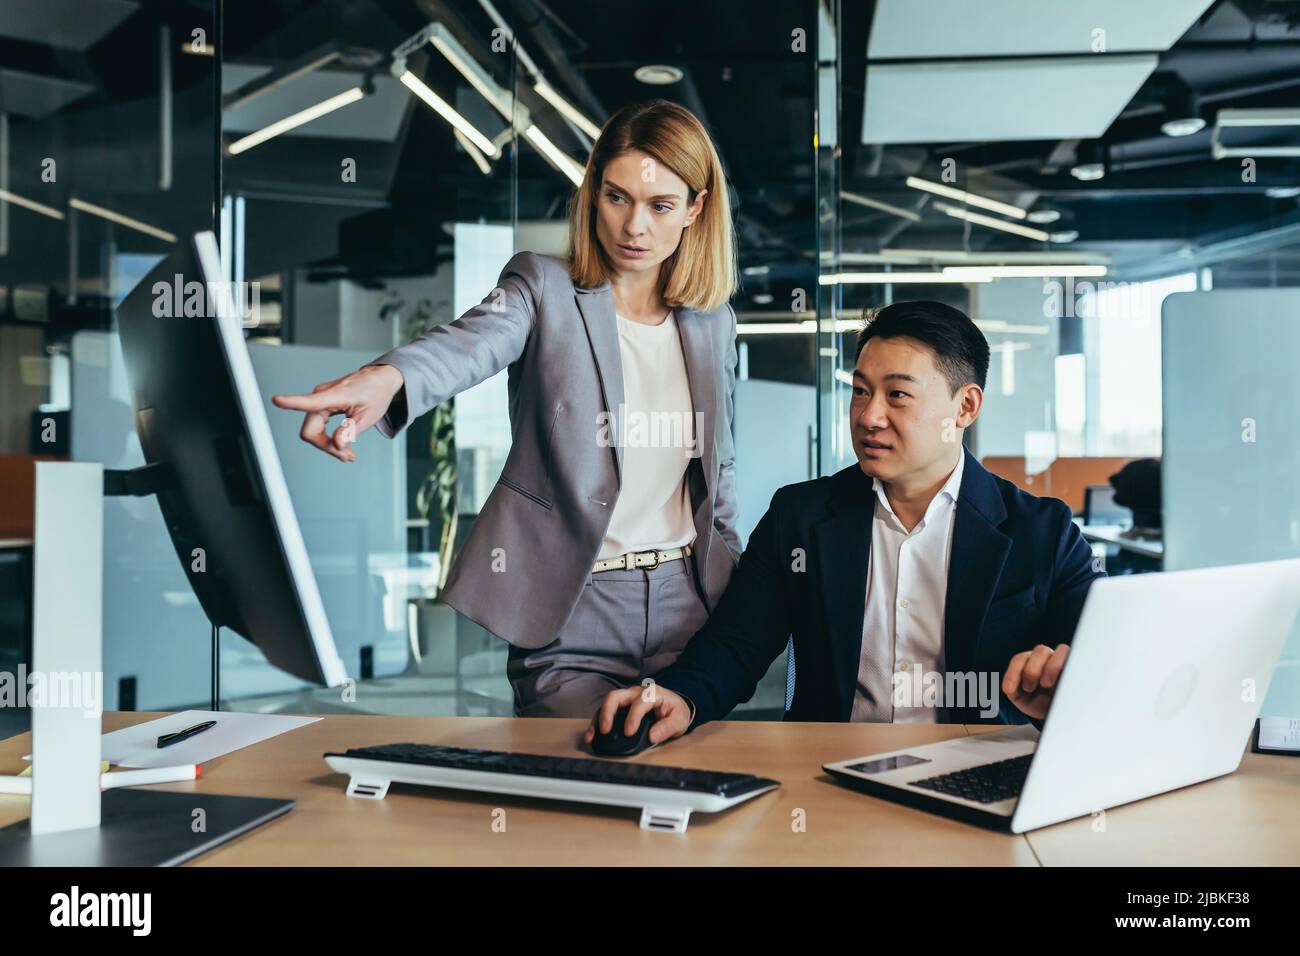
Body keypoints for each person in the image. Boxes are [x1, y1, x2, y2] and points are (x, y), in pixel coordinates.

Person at [273, 100, 741, 717]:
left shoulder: (712, 323)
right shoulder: (543, 287)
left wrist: (733, 585)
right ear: (593, 193)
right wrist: (386, 378)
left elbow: (721, 471)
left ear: (695, 209)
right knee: (581, 779)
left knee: (681, 785)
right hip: (575, 603)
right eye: (617, 197)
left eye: (660, 206)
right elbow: (469, 344)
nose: (634, 227)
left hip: (689, 600)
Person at [586, 300, 1105, 747]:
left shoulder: (1042, 532)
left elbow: (1097, 662)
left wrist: (1061, 684)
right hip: (830, 773)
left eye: (896, 395)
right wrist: (682, 697)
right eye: (860, 390)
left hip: (977, 771)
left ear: (964, 407)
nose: (868, 415)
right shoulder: (802, 518)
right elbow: (734, 647)